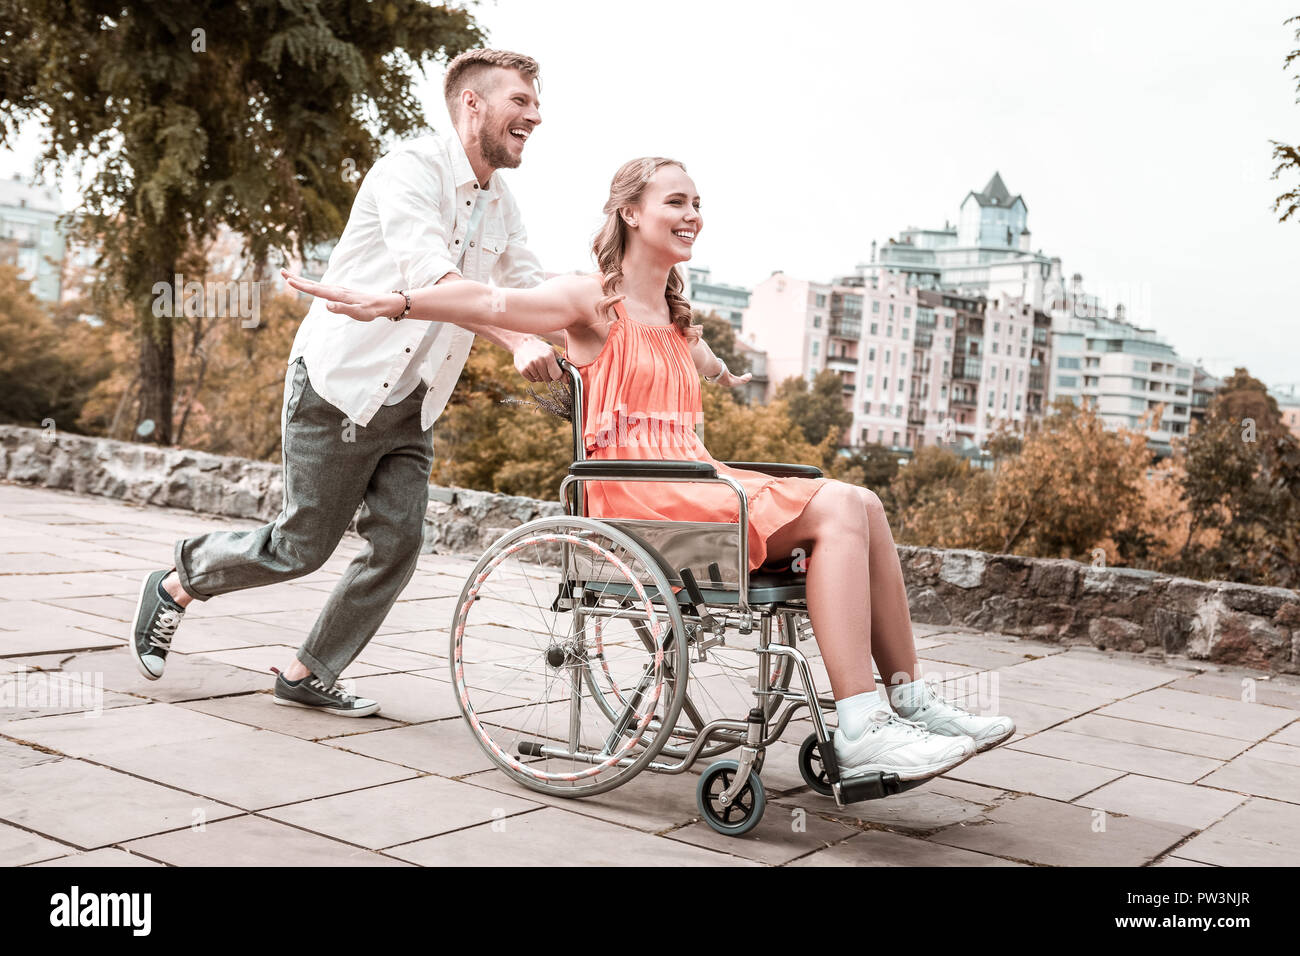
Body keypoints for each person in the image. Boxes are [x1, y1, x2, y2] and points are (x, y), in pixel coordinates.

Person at [281, 157, 1016, 782]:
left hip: (695, 484)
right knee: (841, 507)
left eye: (698, 204)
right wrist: (400, 301)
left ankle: (905, 701)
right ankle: (860, 725)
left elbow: (694, 359)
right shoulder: (588, 300)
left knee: (864, 503)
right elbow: (490, 298)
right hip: (640, 500)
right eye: (677, 202)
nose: (693, 214)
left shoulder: (675, 314)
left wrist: (716, 365)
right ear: (631, 213)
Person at [128, 49, 564, 717]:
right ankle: (180, 578)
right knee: (301, 546)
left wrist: (610, 327)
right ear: (472, 104)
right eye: (521, 101)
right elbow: (428, 278)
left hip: (414, 401)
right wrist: (517, 339)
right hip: (341, 388)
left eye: (535, 102)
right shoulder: (410, 171)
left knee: (399, 543)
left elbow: (533, 289)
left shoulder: (500, 204)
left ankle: (310, 671)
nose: (535, 114)